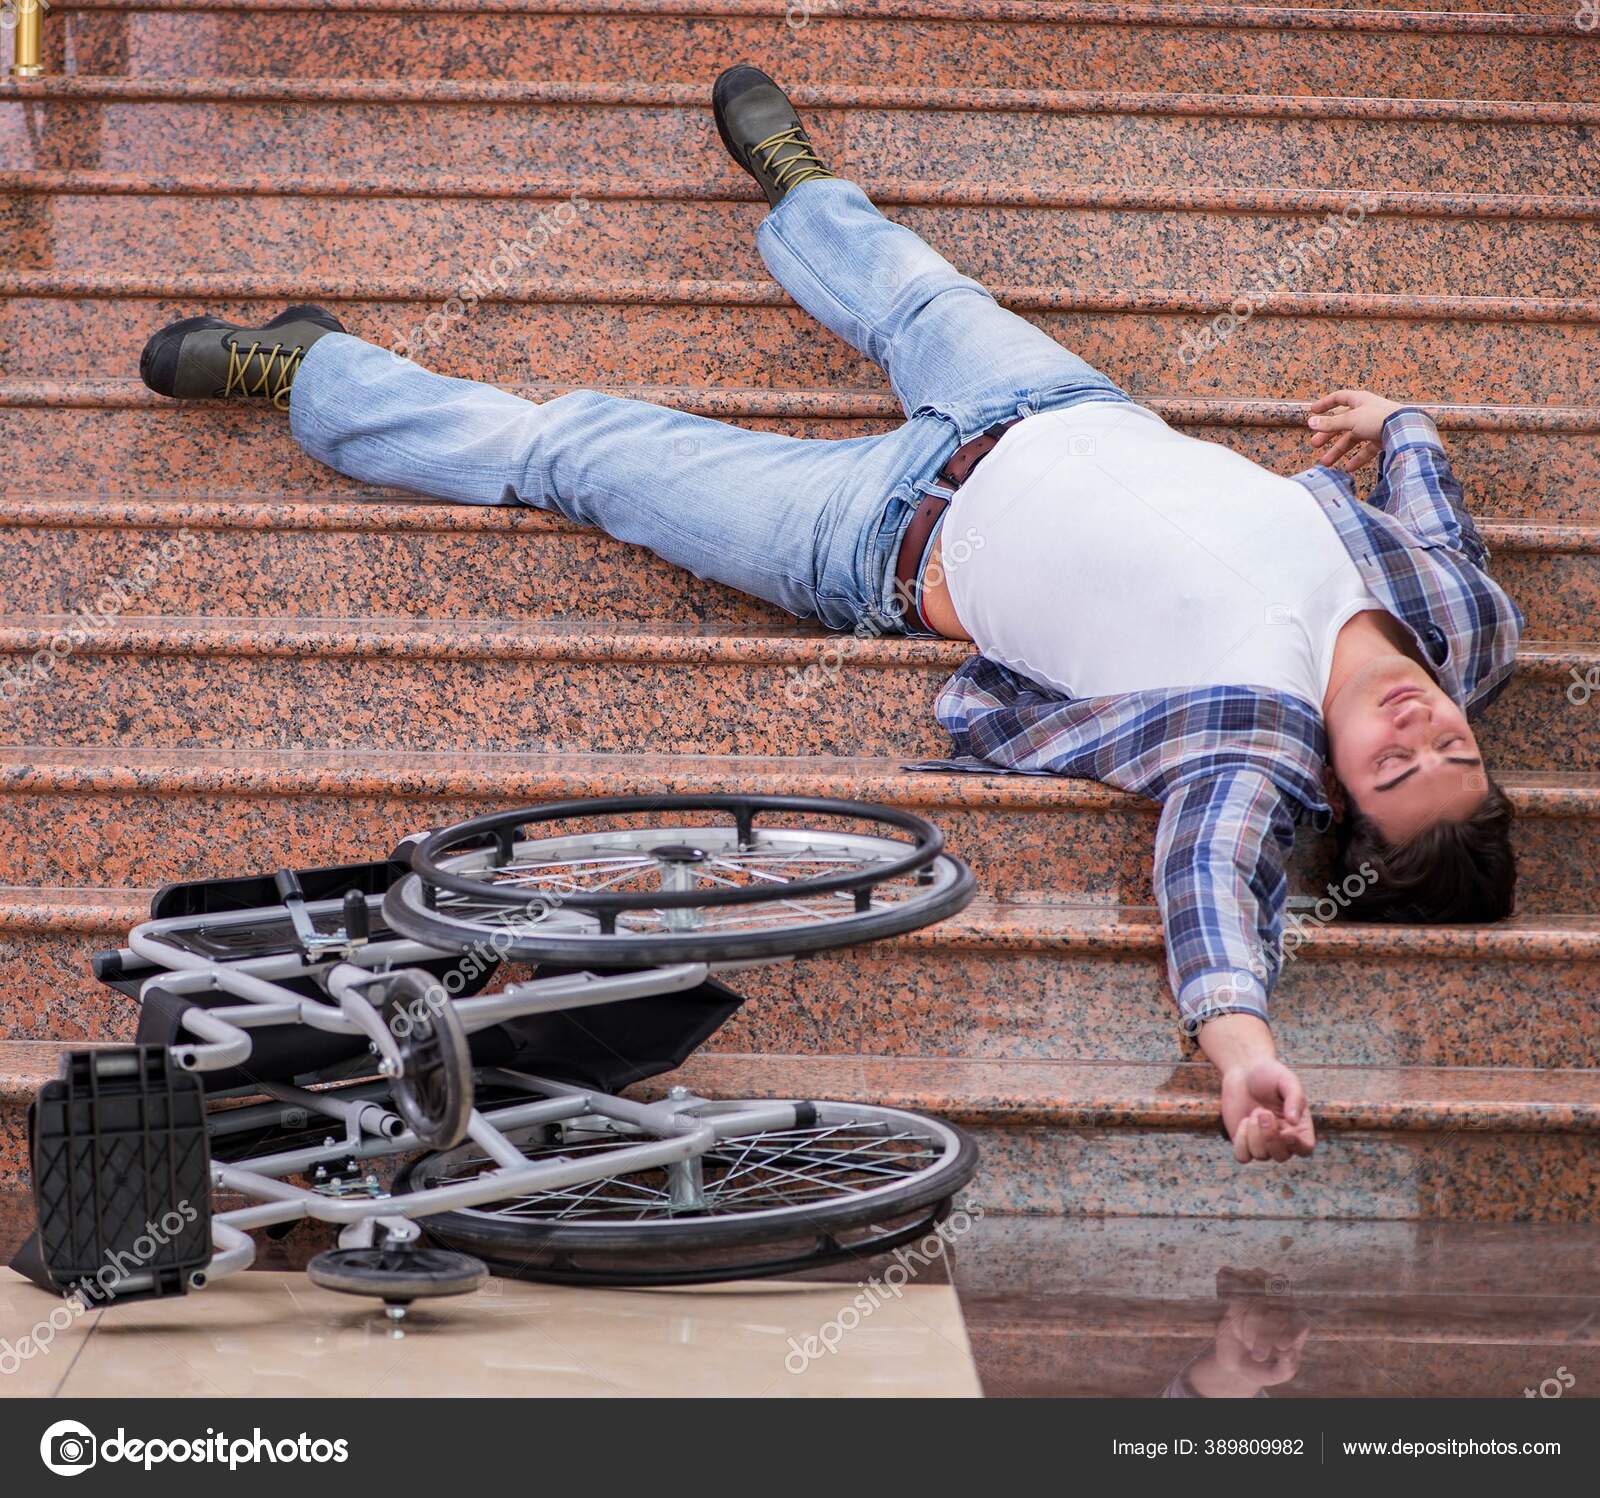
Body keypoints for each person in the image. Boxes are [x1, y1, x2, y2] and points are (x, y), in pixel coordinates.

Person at [137, 66, 1522, 1167]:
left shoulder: (1253, 736)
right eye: (1451, 750)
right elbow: (1438, 498)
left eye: (1393, 776)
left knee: (587, 456)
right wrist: (1393, 419)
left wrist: (1243, 1055)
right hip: (1057, 399)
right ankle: (800, 189)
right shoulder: (1458, 618)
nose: (1415, 729)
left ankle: (317, 371)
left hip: (880, 532)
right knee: (909, 282)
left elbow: (1212, 898)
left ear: (1338, 794)